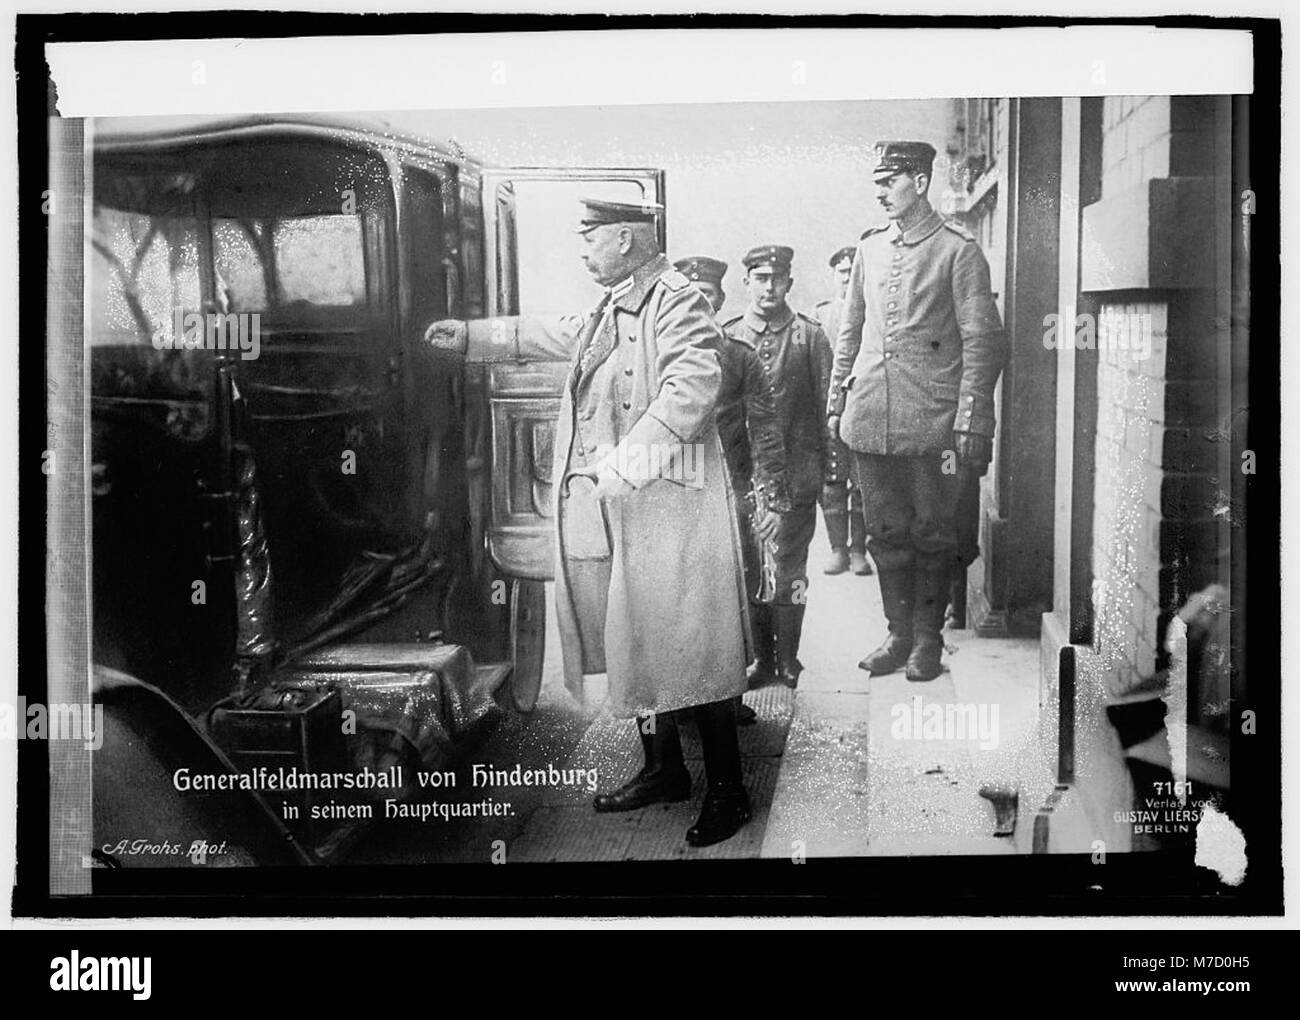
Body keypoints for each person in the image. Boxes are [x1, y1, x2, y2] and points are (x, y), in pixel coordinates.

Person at [427, 199, 752, 847]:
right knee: (635, 638)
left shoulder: (677, 298)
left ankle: (729, 791)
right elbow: (554, 330)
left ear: (626, 238)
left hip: (672, 508)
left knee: (695, 647)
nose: (582, 250)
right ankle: (664, 769)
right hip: (625, 507)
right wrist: (470, 337)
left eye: (590, 239)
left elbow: (690, 388)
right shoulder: (613, 301)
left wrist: (628, 462)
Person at [827, 141, 1007, 682]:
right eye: (876, 181)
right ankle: (898, 633)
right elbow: (850, 332)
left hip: (934, 425)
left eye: (889, 180)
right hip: (871, 418)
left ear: (921, 182)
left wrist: (972, 419)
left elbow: (983, 341)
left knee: (934, 534)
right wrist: (837, 402)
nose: (879, 191)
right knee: (885, 534)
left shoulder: (958, 251)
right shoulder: (870, 248)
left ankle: (928, 640)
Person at [675, 255, 791, 723]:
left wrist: (772, 496)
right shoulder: (661, 355)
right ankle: (680, 698)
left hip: (729, 493)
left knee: (734, 595)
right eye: (694, 299)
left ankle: (727, 697)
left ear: (720, 303)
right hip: (674, 496)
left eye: (710, 299)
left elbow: (765, 427)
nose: (702, 307)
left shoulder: (739, 357)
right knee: (677, 596)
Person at [721, 246, 833, 688]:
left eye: (777, 279)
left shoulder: (809, 336)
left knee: (790, 568)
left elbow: (826, 409)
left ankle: (789, 658)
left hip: (796, 476)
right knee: (749, 567)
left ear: (789, 282)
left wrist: (830, 473)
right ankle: (760, 659)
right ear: (746, 282)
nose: (769, 287)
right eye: (760, 278)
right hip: (742, 478)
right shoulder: (728, 338)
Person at [814, 245, 872, 577]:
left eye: (853, 274)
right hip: (828, 410)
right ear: (833, 275)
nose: (848, 279)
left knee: (861, 482)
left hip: (862, 408)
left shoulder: (871, 313)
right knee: (832, 480)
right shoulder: (820, 315)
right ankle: (837, 550)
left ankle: (859, 551)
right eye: (842, 273)